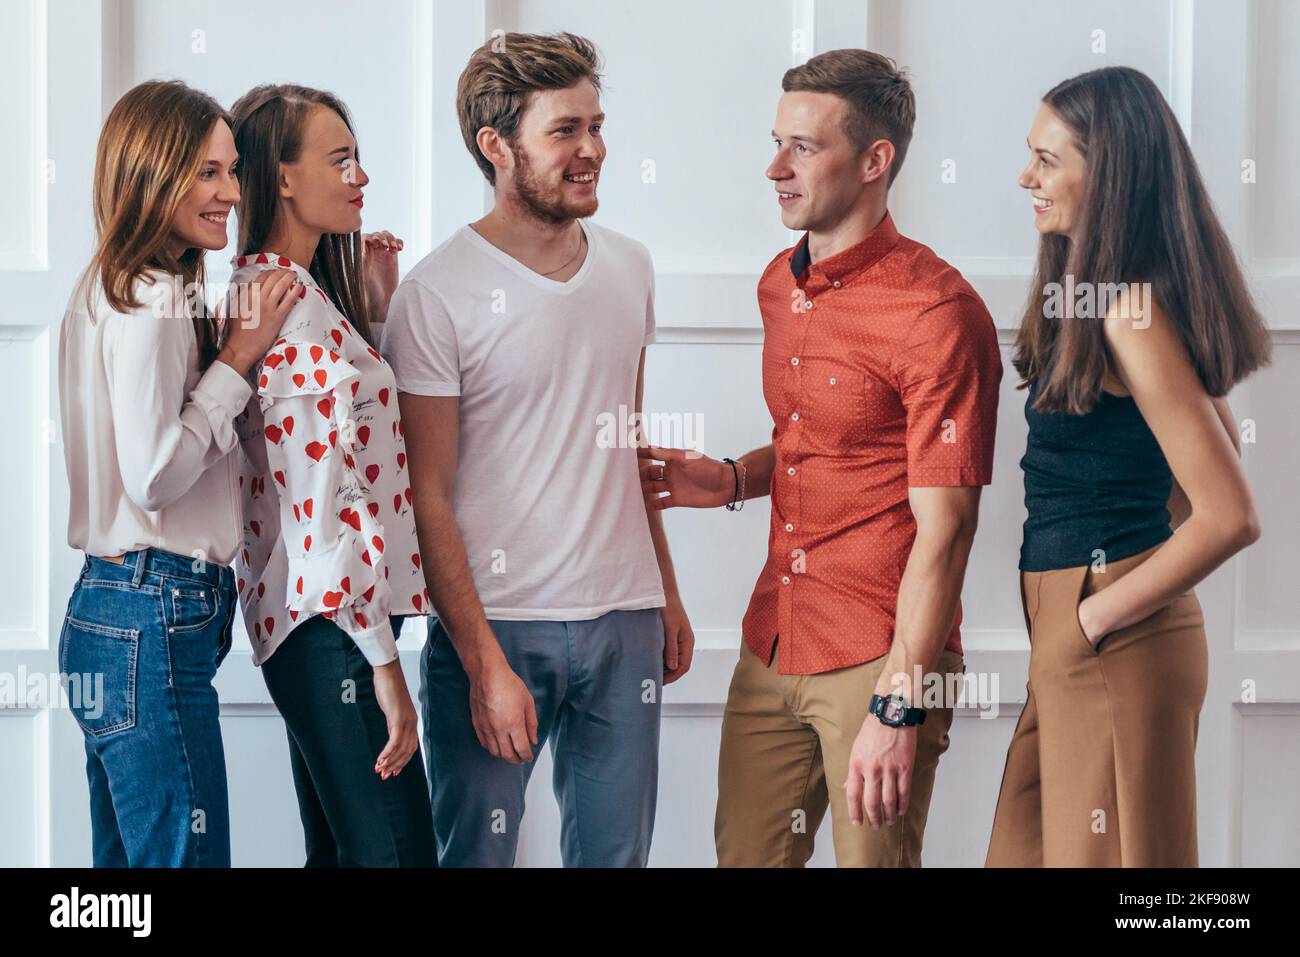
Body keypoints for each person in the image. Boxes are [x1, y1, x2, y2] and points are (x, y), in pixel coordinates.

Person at [642, 49, 1002, 867]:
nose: (775, 168)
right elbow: (819, 440)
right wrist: (733, 478)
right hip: (774, 635)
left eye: (803, 148)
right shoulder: (780, 283)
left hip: (881, 651)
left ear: (875, 161)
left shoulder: (939, 313)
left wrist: (899, 703)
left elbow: (948, 528)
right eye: (777, 143)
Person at [382, 32, 692, 867]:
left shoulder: (629, 267)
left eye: (596, 126)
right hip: (497, 625)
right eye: (565, 131)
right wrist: (481, 661)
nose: (592, 149)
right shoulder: (435, 294)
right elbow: (426, 494)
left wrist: (663, 589)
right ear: (497, 146)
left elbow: (626, 443)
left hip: (624, 618)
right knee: (476, 857)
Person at [985, 66, 1269, 867]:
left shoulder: (1128, 313)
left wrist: (1092, 616)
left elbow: (1229, 512)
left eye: (1047, 160)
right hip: (1081, 636)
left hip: (1107, 637)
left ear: (1107, 173)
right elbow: (1203, 460)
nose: (1026, 177)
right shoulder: (1105, 298)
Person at [57, 79, 300, 866]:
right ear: (152, 173)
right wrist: (239, 357)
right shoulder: (155, 299)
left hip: (110, 607)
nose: (232, 192)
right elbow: (155, 475)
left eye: (233, 171)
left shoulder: (110, 286)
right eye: (207, 172)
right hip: (151, 610)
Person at [227, 83, 436, 867]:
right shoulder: (289, 305)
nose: (361, 177)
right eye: (340, 159)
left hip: (315, 629)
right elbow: (325, 507)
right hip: (336, 630)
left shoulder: (278, 289)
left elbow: (336, 440)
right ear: (282, 177)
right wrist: (383, 662)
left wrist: (372, 311)